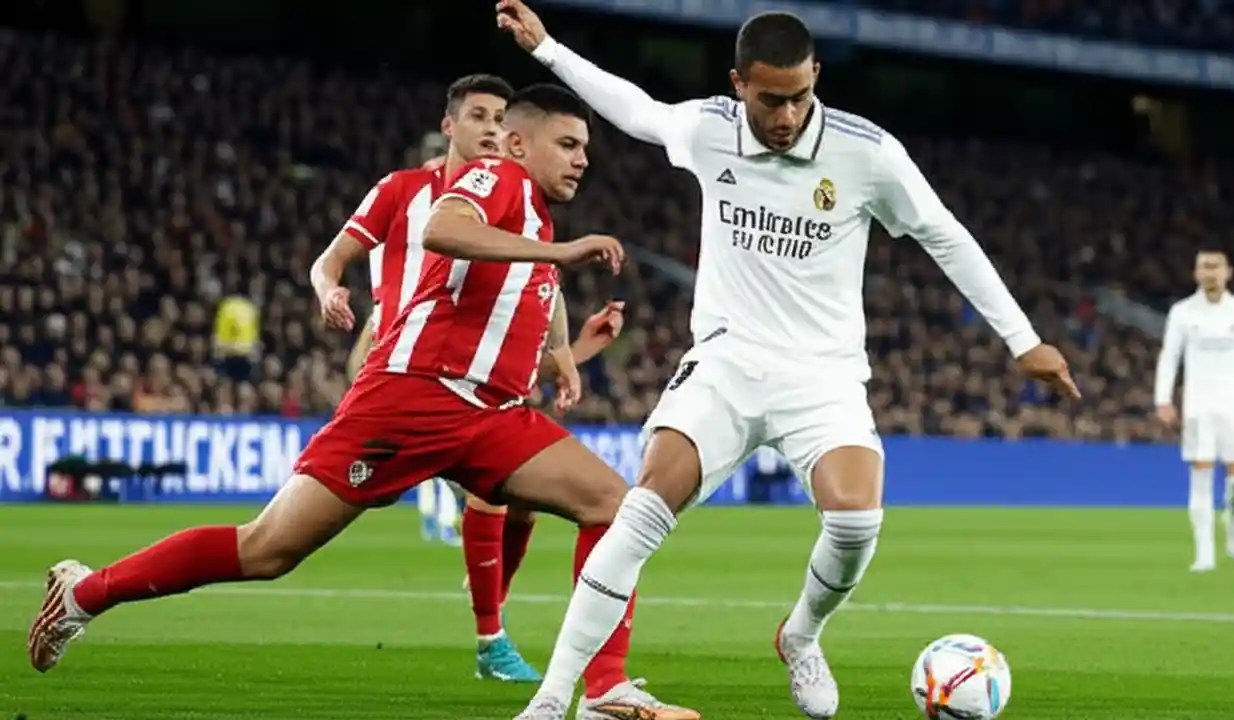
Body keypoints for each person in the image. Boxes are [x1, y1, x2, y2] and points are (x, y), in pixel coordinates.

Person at [28, 83, 698, 720]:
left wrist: (571, 352)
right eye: (569, 144)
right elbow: (442, 227)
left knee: (615, 506)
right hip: (411, 401)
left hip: (487, 415)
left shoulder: (531, 222)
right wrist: (562, 250)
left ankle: (606, 686)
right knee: (267, 550)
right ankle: (85, 592)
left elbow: (502, 352)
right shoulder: (501, 182)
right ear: (519, 144)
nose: (583, 159)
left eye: (586, 148)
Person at [497, 5, 1080, 719]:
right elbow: (638, 111)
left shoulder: (866, 153)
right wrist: (549, 48)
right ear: (739, 83)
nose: (787, 114)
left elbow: (945, 236)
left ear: (816, 79)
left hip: (824, 374)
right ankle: (553, 701)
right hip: (727, 362)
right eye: (770, 98)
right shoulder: (710, 128)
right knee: (643, 506)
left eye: (801, 95)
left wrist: (1022, 339)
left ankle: (801, 636)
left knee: (858, 520)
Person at [308, 74, 626, 682]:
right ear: (452, 126)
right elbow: (337, 258)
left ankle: (495, 634)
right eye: (479, 115)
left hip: (470, 375)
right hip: (403, 361)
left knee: (529, 501)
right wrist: (329, 290)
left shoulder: (525, 210)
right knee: (271, 548)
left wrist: (570, 350)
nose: (490, 126)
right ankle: (494, 626)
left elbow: (542, 295)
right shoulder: (410, 191)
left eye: (499, 116)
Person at [1155, 249, 1234, 572]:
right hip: (1198, 406)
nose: (1210, 273)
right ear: (1196, 273)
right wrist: (1162, 399)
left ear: (1228, 272)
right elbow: (1169, 357)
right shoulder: (1182, 312)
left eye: (1215, 267)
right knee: (1200, 475)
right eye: (1204, 267)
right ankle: (1204, 553)